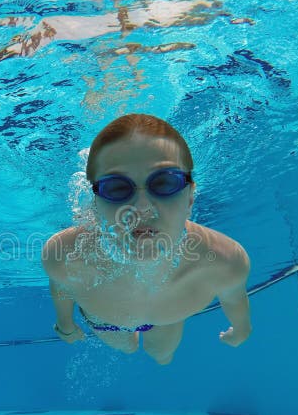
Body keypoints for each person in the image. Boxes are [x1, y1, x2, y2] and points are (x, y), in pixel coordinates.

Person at [42, 113, 252, 365]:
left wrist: (242, 328)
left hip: (168, 317)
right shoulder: (63, 252)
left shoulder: (226, 261)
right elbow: (61, 286)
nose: (141, 208)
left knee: (162, 355)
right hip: (106, 321)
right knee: (127, 348)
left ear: (190, 198)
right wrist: (65, 324)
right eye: (117, 188)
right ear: (95, 203)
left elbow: (234, 297)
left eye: (164, 183)